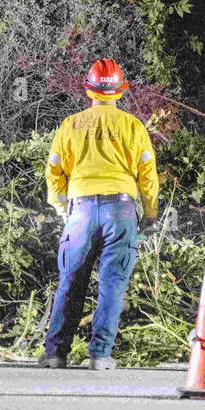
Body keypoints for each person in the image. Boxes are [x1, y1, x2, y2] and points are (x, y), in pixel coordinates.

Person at [40, 58, 159, 370]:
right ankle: (100, 355)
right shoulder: (132, 126)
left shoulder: (71, 125)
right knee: (112, 284)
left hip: (80, 211)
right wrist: (150, 211)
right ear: (119, 91)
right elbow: (147, 174)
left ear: (89, 90)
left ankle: (55, 354)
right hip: (120, 212)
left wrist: (61, 207)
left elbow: (54, 171)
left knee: (70, 283)